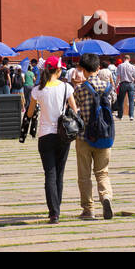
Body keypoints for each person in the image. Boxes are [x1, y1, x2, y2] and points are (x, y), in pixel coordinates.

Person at [26, 56, 77, 223]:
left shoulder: (38, 90)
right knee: (59, 174)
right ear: (58, 70)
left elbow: (30, 113)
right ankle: (57, 208)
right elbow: (74, 111)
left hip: (45, 135)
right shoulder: (66, 87)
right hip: (63, 135)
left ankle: (53, 212)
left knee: (50, 173)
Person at [71, 53, 115, 220]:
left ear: (82, 69)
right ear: (98, 68)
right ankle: (106, 197)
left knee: (84, 175)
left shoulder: (80, 90)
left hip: (84, 137)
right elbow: (114, 102)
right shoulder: (108, 88)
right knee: (102, 172)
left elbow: (74, 109)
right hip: (105, 136)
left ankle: (88, 209)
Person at [113, 54, 135, 121]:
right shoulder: (132, 66)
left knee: (121, 101)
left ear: (124, 59)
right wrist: (132, 77)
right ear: (129, 59)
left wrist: (116, 85)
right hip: (130, 84)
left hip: (123, 84)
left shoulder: (120, 66)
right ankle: (131, 116)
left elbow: (118, 77)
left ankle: (120, 116)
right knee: (131, 101)